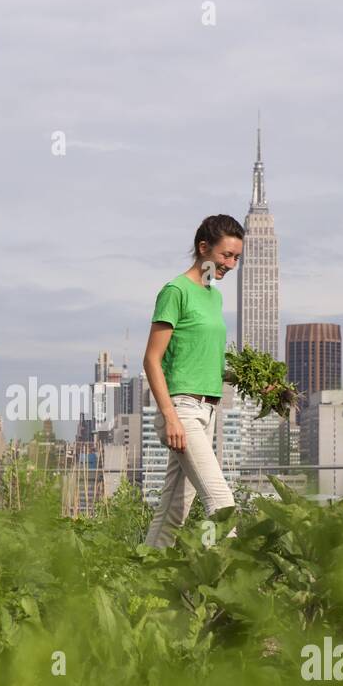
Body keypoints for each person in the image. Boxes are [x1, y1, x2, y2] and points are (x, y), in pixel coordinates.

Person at [142, 213, 246, 549]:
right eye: (225, 255)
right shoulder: (176, 291)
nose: (230, 264)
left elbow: (209, 363)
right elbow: (152, 359)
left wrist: (252, 381)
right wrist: (171, 416)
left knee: (174, 509)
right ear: (204, 248)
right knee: (222, 504)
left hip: (208, 410)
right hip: (183, 411)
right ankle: (232, 585)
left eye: (236, 257)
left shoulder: (213, 297)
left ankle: (143, 576)